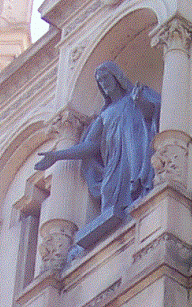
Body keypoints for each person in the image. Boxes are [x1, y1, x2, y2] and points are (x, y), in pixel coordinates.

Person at [36, 63, 161, 227]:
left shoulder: (135, 96)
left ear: (116, 77)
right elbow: (91, 145)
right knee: (108, 190)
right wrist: (58, 155)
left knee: (136, 184)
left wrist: (140, 101)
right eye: (100, 81)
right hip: (115, 161)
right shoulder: (105, 114)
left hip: (136, 153)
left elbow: (154, 113)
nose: (104, 83)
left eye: (106, 78)